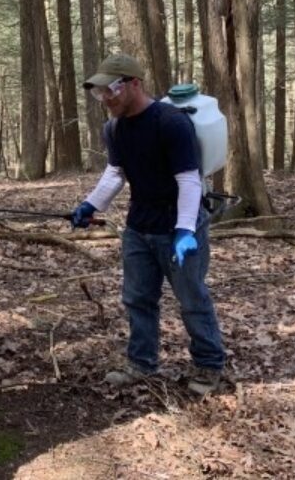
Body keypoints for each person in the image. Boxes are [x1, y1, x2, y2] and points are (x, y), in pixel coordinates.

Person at [71, 53, 226, 395]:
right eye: (99, 92)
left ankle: (209, 365)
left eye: (110, 90)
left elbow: (189, 180)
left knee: (192, 298)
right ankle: (141, 363)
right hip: (139, 226)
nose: (105, 98)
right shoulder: (114, 129)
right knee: (137, 298)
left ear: (134, 84)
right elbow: (116, 173)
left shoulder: (170, 122)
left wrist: (185, 231)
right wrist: (90, 205)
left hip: (179, 224)